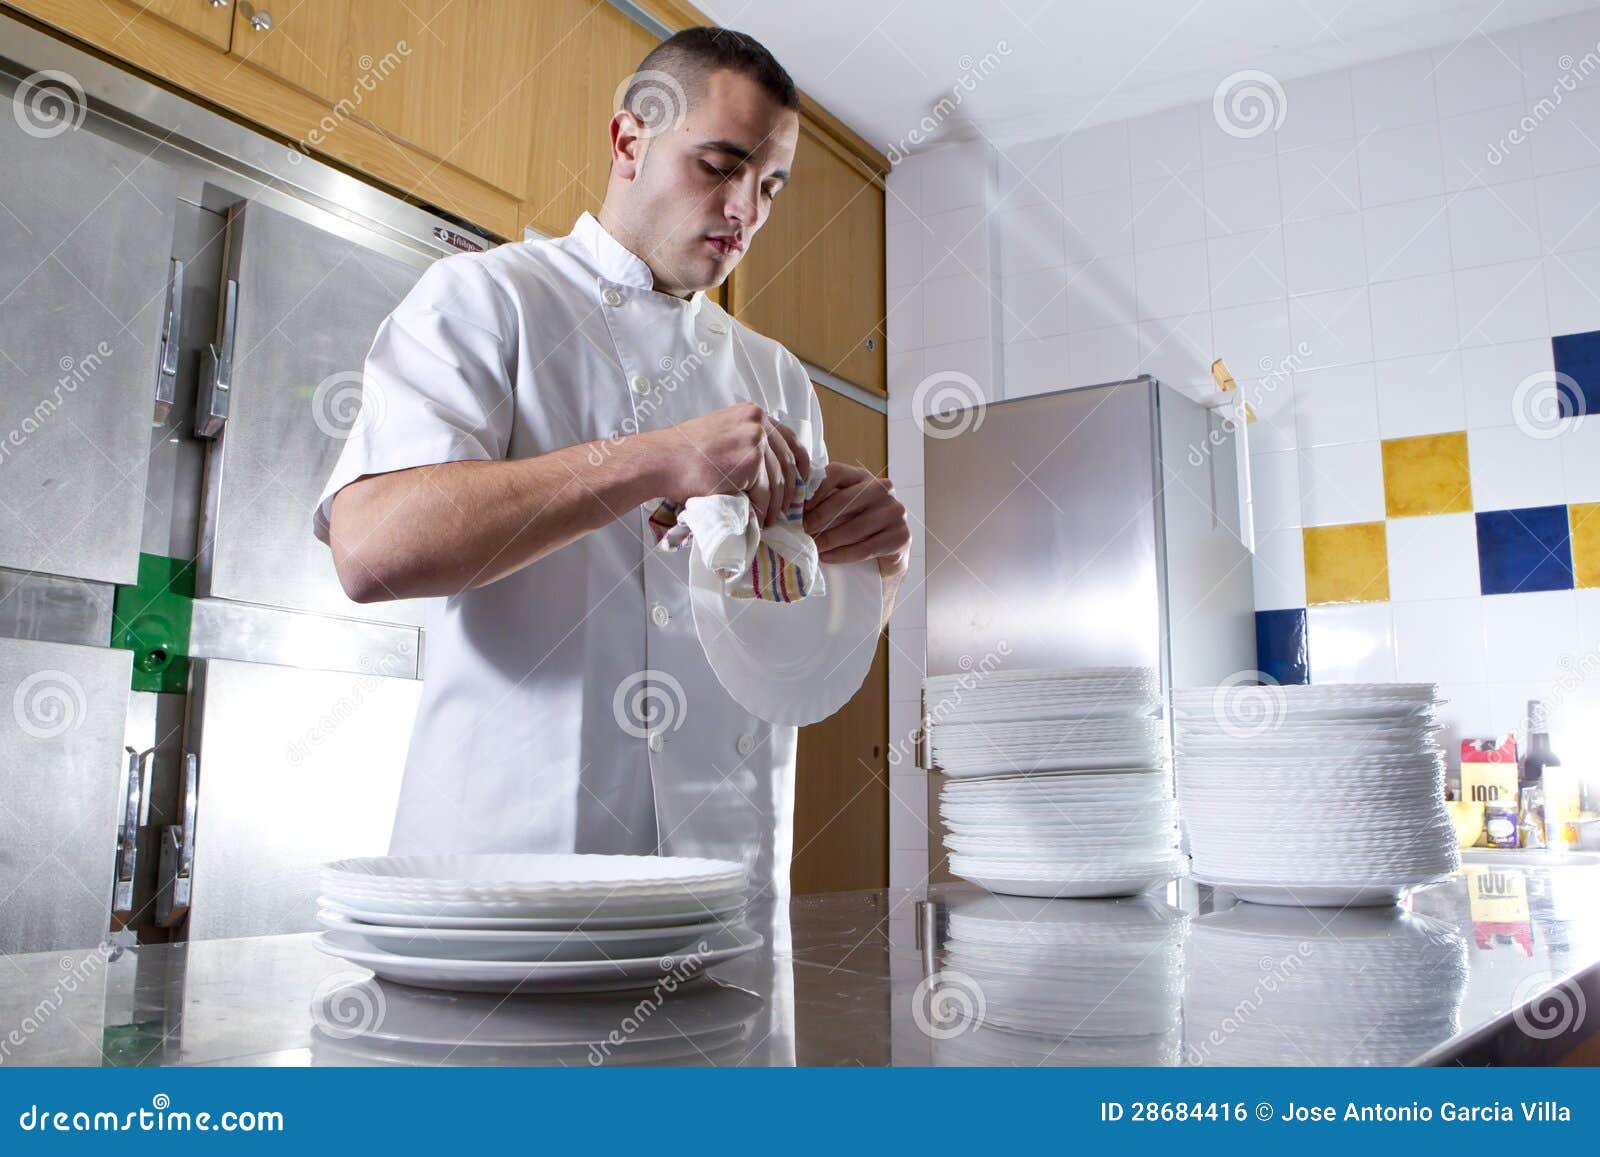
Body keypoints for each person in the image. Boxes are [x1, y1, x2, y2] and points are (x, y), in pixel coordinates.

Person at [311, 26, 910, 896]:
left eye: (770, 185)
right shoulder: (488, 299)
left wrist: (878, 565)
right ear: (630, 140)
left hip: (724, 889)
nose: (747, 210)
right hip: (517, 880)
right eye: (719, 165)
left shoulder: (774, 376)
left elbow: (794, 650)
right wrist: (659, 459)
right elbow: (370, 551)